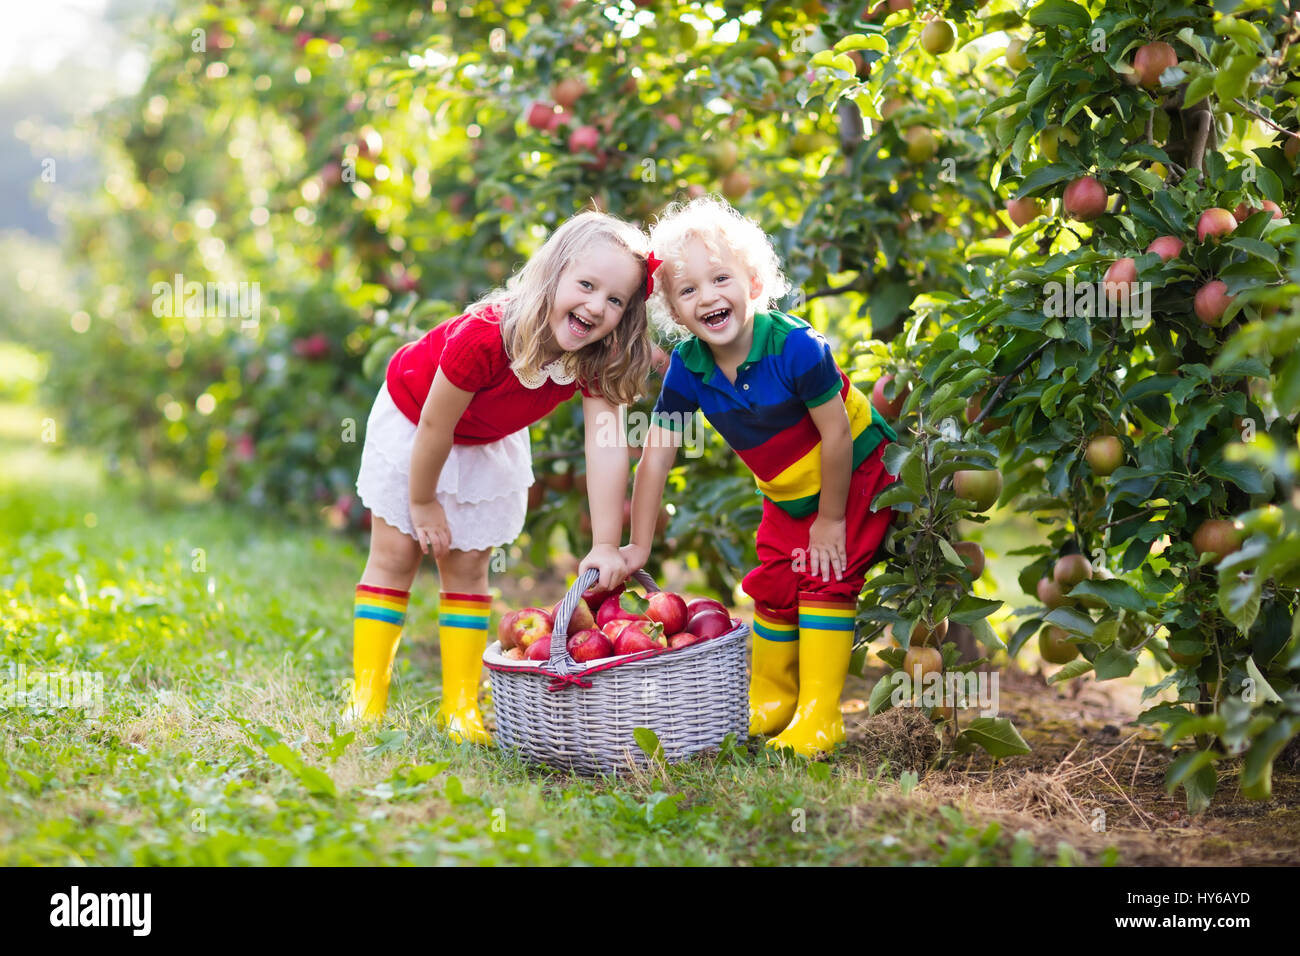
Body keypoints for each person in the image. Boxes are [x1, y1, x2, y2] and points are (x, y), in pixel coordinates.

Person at [349, 210, 657, 742]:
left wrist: (607, 543)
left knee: (468, 569)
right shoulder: (486, 335)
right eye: (586, 285)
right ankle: (366, 699)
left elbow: (605, 447)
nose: (595, 306)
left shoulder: (596, 356)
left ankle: (461, 710)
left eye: (615, 300)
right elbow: (434, 426)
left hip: (486, 440)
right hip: (417, 422)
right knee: (397, 554)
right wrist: (422, 503)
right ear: (553, 275)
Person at [620, 195, 898, 758]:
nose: (707, 297)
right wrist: (638, 545)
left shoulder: (796, 348)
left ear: (752, 283)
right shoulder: (689, 368)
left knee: (825, 574)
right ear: (674, 311)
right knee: (773, 581)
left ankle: (820, 715)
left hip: (855, 472)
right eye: (688, 290)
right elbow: (657, 455)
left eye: (720, 278)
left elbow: (838, 435)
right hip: (788, 491)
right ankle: (773, 698)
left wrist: (829, 520)